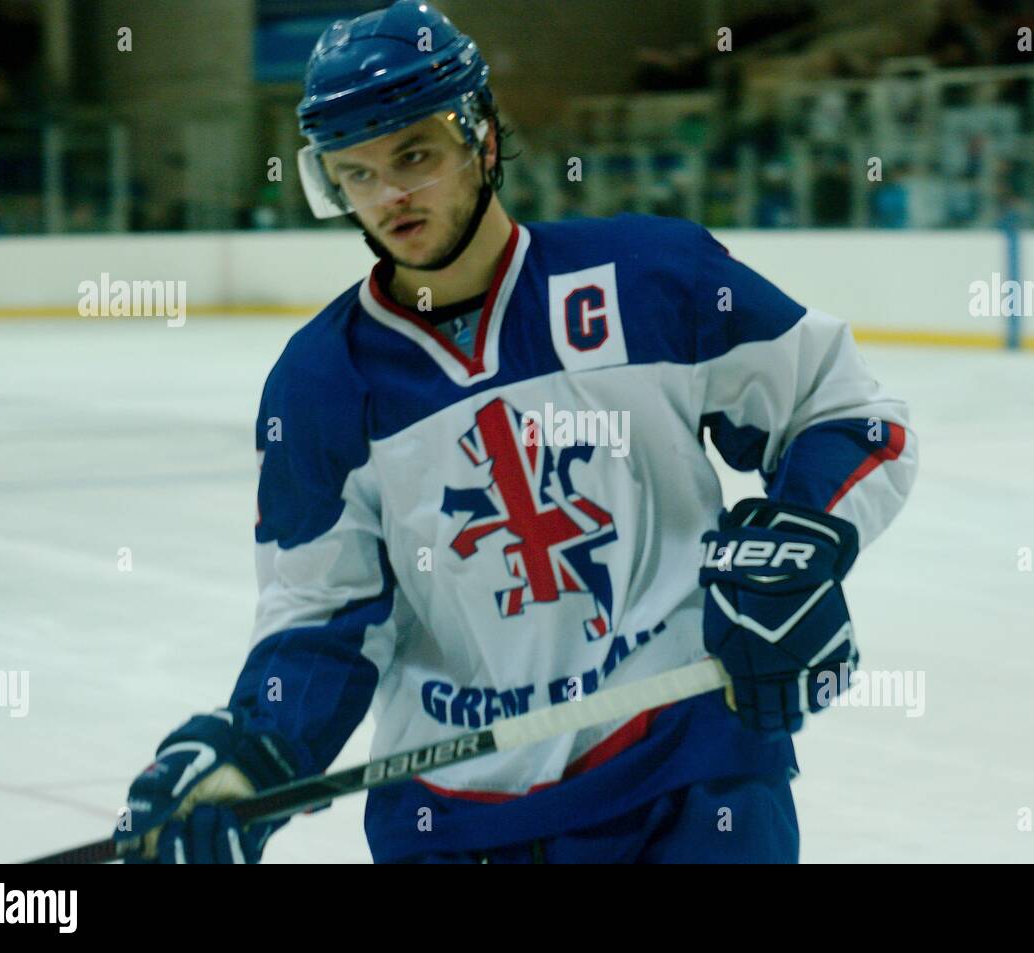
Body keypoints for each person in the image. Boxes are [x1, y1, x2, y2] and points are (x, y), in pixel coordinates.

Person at [117, 0, 917, 864]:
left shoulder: (652, 278)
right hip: (456, 825)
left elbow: (845, 410)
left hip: (693, 779)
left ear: (483, 139)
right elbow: (319, 614)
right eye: (356, 173)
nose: (389, 197)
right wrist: (253, 752)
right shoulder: (321, 384)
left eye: (414, 155)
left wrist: (800, 542)